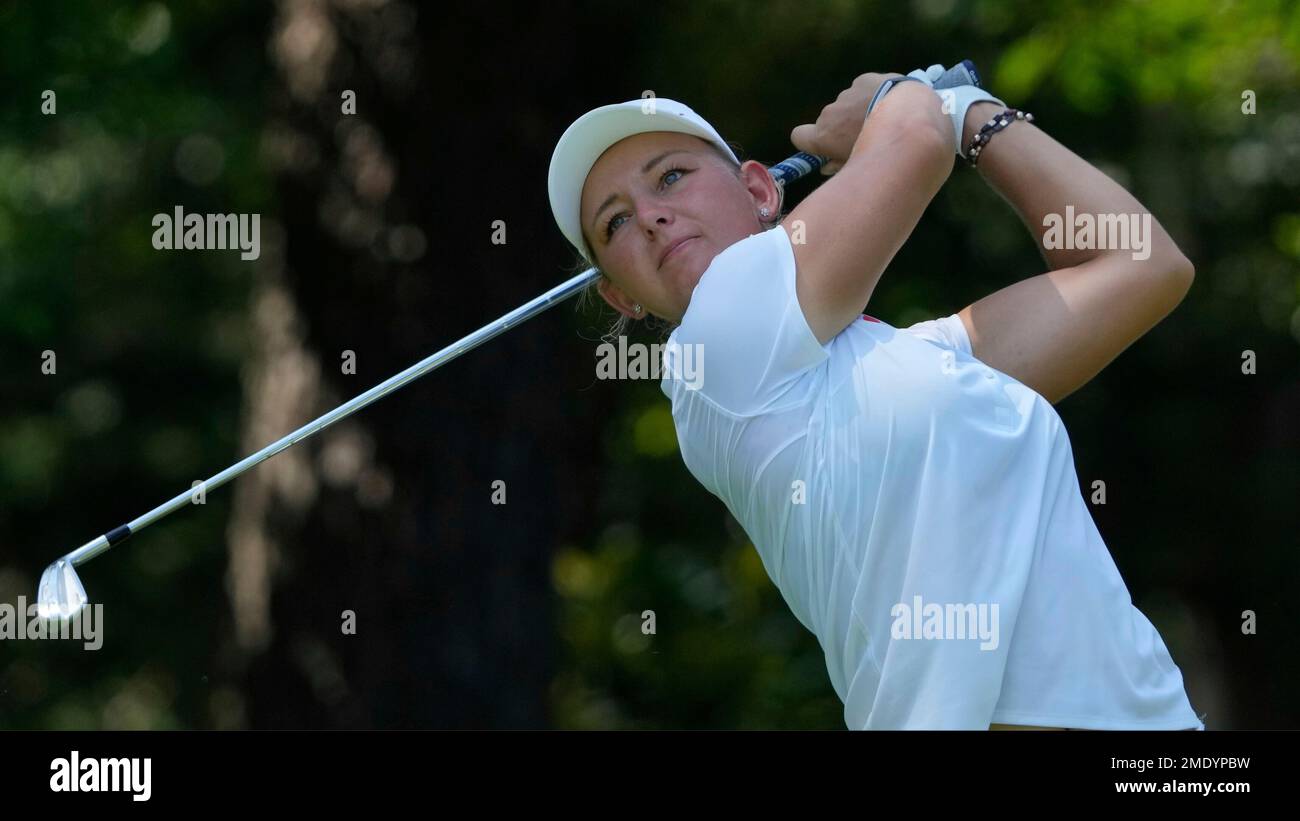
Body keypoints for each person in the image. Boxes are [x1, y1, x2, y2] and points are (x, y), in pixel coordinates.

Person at [546, 68, 1206, 730]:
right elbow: (914, 141)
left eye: (669, 178)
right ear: (621, 297)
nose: (653, 217)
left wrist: (975, 115)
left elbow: (1143, 266)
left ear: (759, 189)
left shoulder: (928, 364)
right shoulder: (711, 351)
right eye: (616, 223)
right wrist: (900, 101)